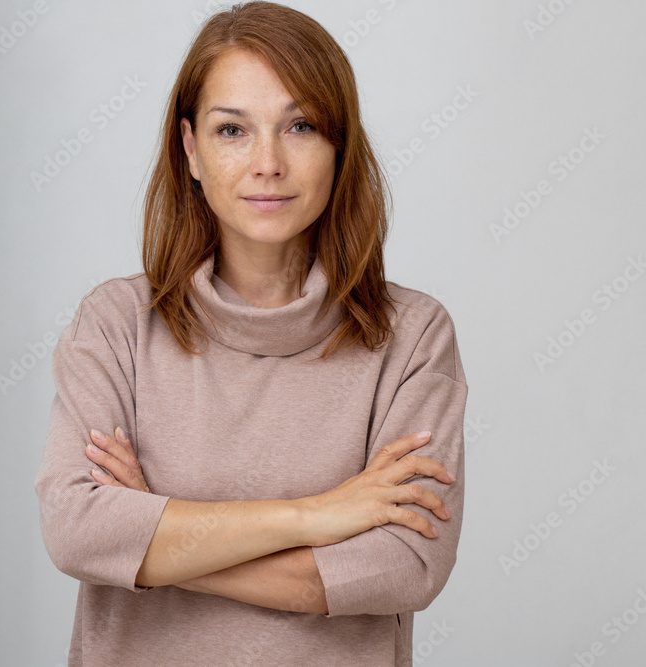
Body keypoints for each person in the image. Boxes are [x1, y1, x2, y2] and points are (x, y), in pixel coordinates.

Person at [34, 2, 468, 665]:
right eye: (232, 129)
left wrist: (154, 529)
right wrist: (317, 514)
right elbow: (77, 531)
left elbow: (406, 565)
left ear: (340, 146)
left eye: (300, 126)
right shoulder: (116, 324)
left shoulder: (412, 336)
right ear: (191, 150)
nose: (268, 162)